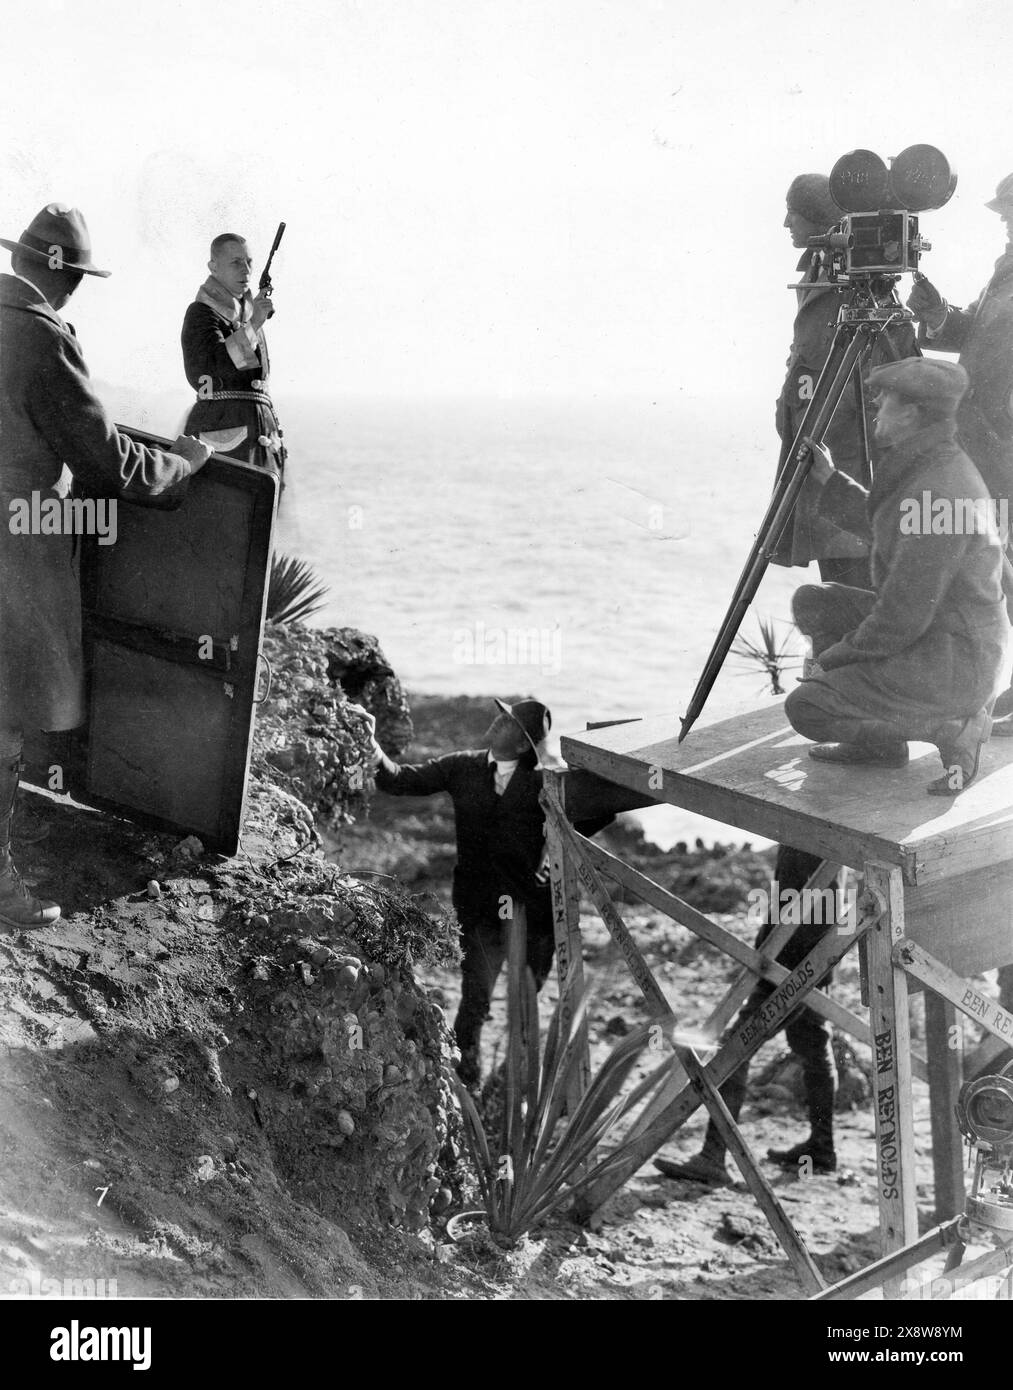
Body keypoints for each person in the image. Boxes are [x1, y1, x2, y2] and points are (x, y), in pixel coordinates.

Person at [0, 203, 211, 930]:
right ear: (69, 282)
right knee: (5, 717)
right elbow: (102, 455)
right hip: (13, 548)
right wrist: (179, 467)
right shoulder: (38, 338)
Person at [784, 357, 1006, 796]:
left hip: (954, 660)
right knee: (816, 600)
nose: (876, 408)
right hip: (951, 635)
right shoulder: (931, 462)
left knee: (807, 706)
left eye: (886, 400)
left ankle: (951, 726)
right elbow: (893, 526)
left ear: (911, 414)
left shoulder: (937, 486)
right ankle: (882, 746)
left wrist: (833, 661)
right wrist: (830, 481)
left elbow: (902, 618)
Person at [367, 697, 571, 1087]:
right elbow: (399, 779)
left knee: (524, 1007)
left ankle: (509, 1087)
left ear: (524, 745)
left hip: (532, 915)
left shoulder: (546, 782)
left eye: (507, 722)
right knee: (474, 1000)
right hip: (479, 908)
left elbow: (598, 813)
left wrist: (551, 860)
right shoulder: (462, 766)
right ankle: (465, 1084)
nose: (496, 723)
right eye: (501, 716)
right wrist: (371, 746)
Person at [656, 844, 842, 1184]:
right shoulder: (819, 824)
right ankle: (822, 1147)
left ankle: (714, 1155)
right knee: (814, 1047)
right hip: (810, 959)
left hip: (789, 965)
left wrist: (773, 961)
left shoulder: (808, 827)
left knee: (735, 1050)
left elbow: (805, 905)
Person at [906, 171, 1013, 729]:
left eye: (1009, 211)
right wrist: (938, 311)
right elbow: (977, 336)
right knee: (993, 566)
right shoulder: (1007, 266)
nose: (1003, 221)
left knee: (1000, 565)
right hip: (981, 438)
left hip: (1004, 442)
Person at [774, 172, 918, 586]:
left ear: (817, 218)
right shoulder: (820, 267)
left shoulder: (862, 277)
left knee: (851, 564)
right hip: (818, 431)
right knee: (833, 561)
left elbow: (892, 362)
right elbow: (806, 349)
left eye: (793, 213)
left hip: (849, 445)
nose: (787, 224)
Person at [180, 233, 286, 480]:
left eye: (249, 262)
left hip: (258, 438)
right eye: (236, 263)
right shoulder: (201, 313)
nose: (246, 271)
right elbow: (208, 370)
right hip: (223, 436)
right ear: (213, 267)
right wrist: (253, 326)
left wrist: (251, 324)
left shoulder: (246, 317)